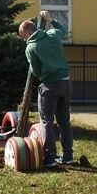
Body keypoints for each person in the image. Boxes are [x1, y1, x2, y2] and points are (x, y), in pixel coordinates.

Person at [18, 10, 74, 168]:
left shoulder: (31, 47)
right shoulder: (52, 35)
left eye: (23, 37)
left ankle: (49, 157)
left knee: (46, 121)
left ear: (28, 33)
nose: (24, 40)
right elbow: (63, 30)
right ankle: (68, 156)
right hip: (66, 83)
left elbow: (35, 71)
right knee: (64, 121)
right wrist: (50, 19)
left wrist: (42, 71)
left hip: (49, 85)